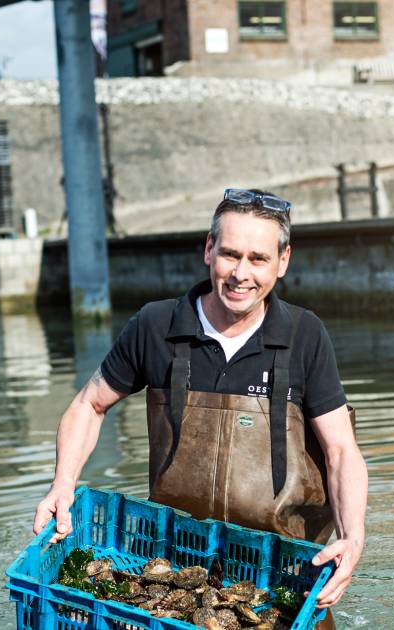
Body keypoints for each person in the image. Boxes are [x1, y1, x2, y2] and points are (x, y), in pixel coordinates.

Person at [33, 188, 367, 617]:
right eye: (230, 254)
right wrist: (62, 485)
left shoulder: (305, 336)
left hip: (282, 579)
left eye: (258, 259)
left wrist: (352, 535)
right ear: (209, 249)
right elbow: (89, 405)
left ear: (283, 261)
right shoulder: (156, 326)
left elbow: (341, 451)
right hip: (168, 571)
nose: (241, 274)